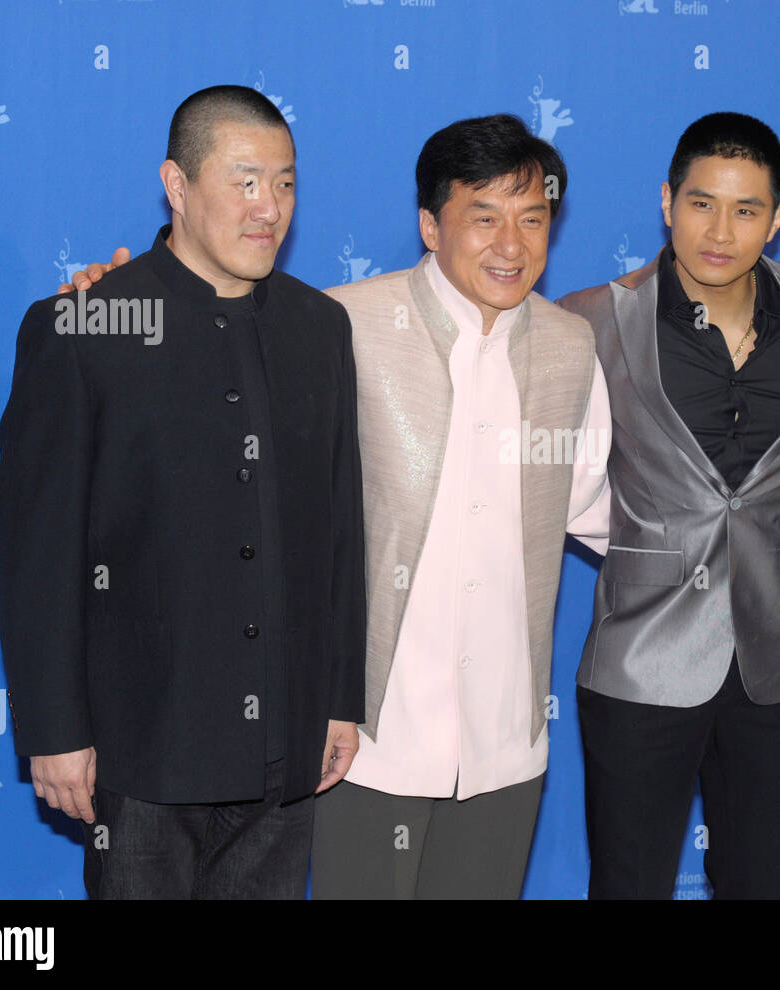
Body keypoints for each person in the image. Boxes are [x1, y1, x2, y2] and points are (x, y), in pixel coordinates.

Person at [0, 84, 366, 899]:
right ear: (177, 186)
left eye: (286, 182)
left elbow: (341, 530)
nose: (269, 207)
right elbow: (38, 549)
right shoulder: (84, 326)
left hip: (285, 744)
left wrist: (340, 698)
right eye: (244, 181)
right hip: (141, 755)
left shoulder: (320, 327)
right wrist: (53, 731)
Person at [310, 114, 611, 899]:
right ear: (429, 224)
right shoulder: (340, 324)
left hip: (505, 740)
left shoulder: (571, 345)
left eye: (533, 218)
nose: (511, 245)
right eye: (484, 217)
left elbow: (601, 509)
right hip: (364, 740)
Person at [558, 112, 780, 899]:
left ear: (777, 218)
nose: (720, 231)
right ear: (666, 201)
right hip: (642, 657)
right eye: (700, 203)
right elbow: (564, 477)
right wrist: (640, 545)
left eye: (746, 209)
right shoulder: (592, 318)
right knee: (630, 885)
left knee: (763, 885)